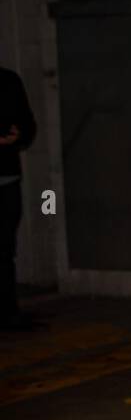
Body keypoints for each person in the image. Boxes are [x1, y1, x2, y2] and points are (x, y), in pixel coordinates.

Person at [0, 63, 37, 330]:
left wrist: (18, 135)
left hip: (6, 178)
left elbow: (27, 124)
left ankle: (8, 311)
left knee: (4, 248)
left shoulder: (8, 81)